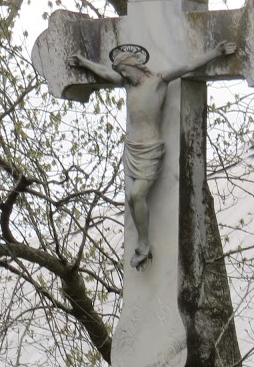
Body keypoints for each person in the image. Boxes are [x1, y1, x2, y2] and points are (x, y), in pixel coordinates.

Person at [71, 39, 235, 268]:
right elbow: (104, 73)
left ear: (134, 66)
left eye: (126, 70)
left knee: (137, 195)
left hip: (150, 149)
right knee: (130, 199)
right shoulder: (128, 85)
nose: (124, 76)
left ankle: (145, 243)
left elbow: (188, 66)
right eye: (122, 73)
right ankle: (142, 242)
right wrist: (84, 62)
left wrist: (215, 52)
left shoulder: (158, 81)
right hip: (132, 149)